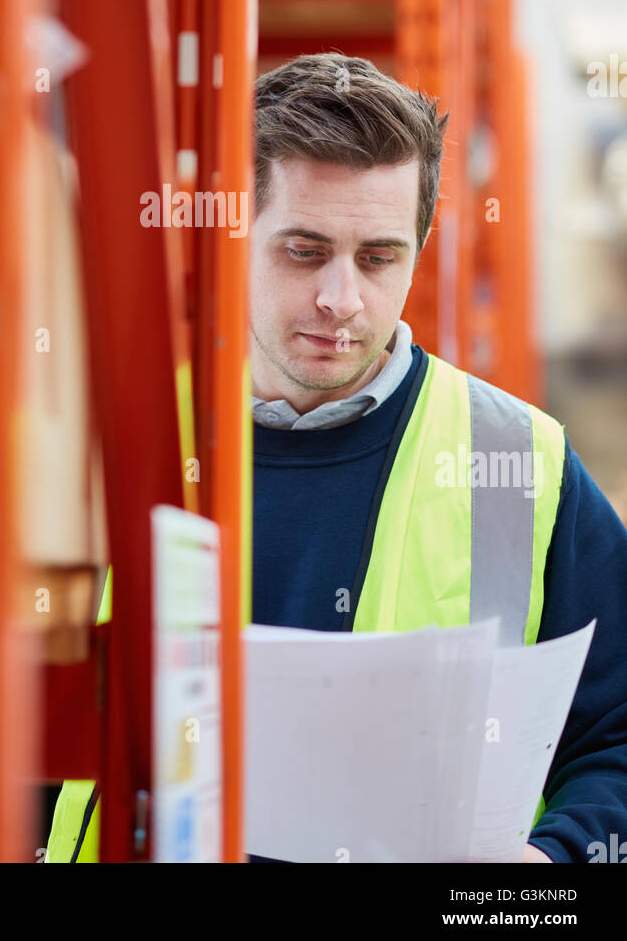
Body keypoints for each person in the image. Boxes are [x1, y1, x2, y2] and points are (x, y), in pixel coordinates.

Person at [247, 52, 627, 863]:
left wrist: (553, 864)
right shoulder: (125, 443)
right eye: (304, 251)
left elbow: (620, 736)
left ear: (418, 249)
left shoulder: (520, 463)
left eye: (379, 258)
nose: (342, 300)